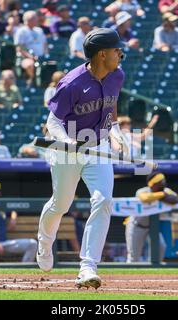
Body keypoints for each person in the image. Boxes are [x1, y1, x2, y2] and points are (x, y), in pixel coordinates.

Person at [37, 28, 128, 289]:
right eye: (115, 50)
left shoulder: (117, 74)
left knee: (103, 201)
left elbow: (111, 108)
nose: (120, 53)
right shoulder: (71, 82)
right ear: (102, 54)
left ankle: (88, 266)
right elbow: (52, 121)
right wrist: (67, 142)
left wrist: (116, 131)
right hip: (67, 149)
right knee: (60, 205)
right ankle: (44, 242)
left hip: (98, 146)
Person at [125, 171, 178, 263]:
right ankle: (130, 277)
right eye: (158, 182)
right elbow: (145, 198)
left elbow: (175, 198)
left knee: (161, 247)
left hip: (152, 227)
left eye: (162, 182)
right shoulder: (142, 191)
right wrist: (162, 195)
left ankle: (151, 272)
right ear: (151, 184)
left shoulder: (165, 190)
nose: (162, 184)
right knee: (134, 256)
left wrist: (161, 195)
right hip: (136, 225)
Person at [14, 10, 48, 87]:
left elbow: (45, 44)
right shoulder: (21, 31)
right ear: (29, 19)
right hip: (25, 57)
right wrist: (31, 57)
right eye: (35, 18)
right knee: (30, 65)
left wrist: (46, 54)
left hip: (41, 57)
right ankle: (33, 81)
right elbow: (19, 48)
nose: (37, 20)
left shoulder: (39, 30)